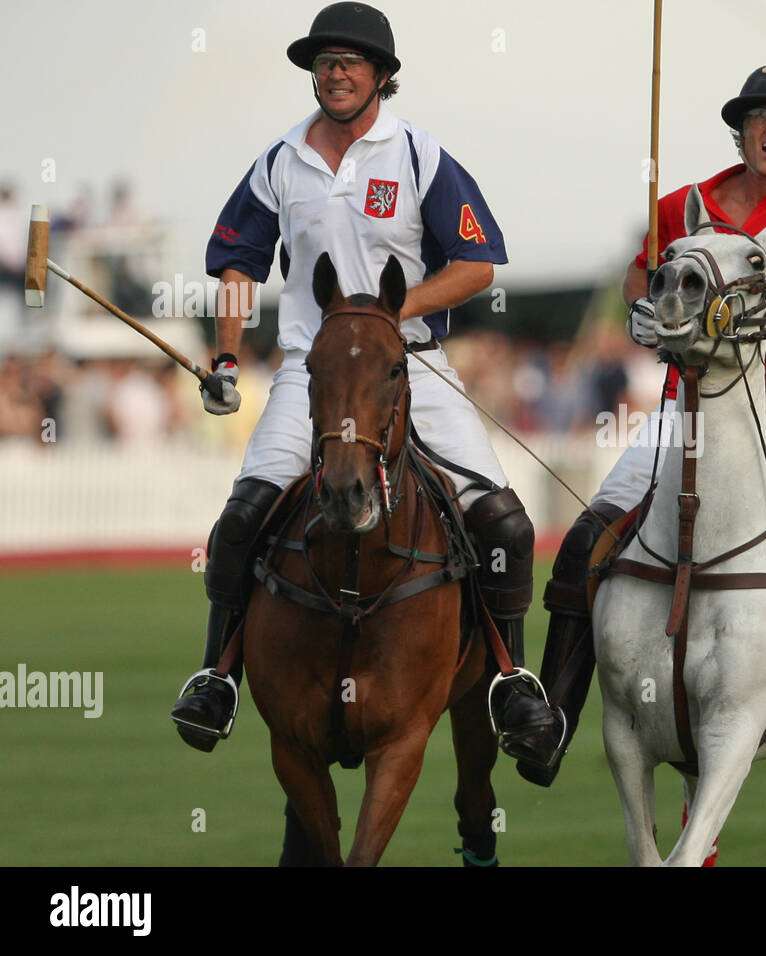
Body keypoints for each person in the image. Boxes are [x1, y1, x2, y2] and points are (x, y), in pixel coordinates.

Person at [168, 2, 561, 769]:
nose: (335, 73)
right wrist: (222, 358)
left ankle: (510, 680)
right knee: (241, 519)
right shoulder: (280, 160)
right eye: (324, 62)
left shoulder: (418, 155)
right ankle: (217, 675)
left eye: (350, 62)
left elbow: (478, 264)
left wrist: (389, 316)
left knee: (504, 523)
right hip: (310, 371)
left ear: (382, 76)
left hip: (409, 361)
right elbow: (239, 265)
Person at [521, 64, 766, 810]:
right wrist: (638, 310)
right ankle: (556, 712)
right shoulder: (685, 207)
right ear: (741, 128)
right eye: (760, 116)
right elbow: (639, 279)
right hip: (682, 417)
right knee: (586, 535)